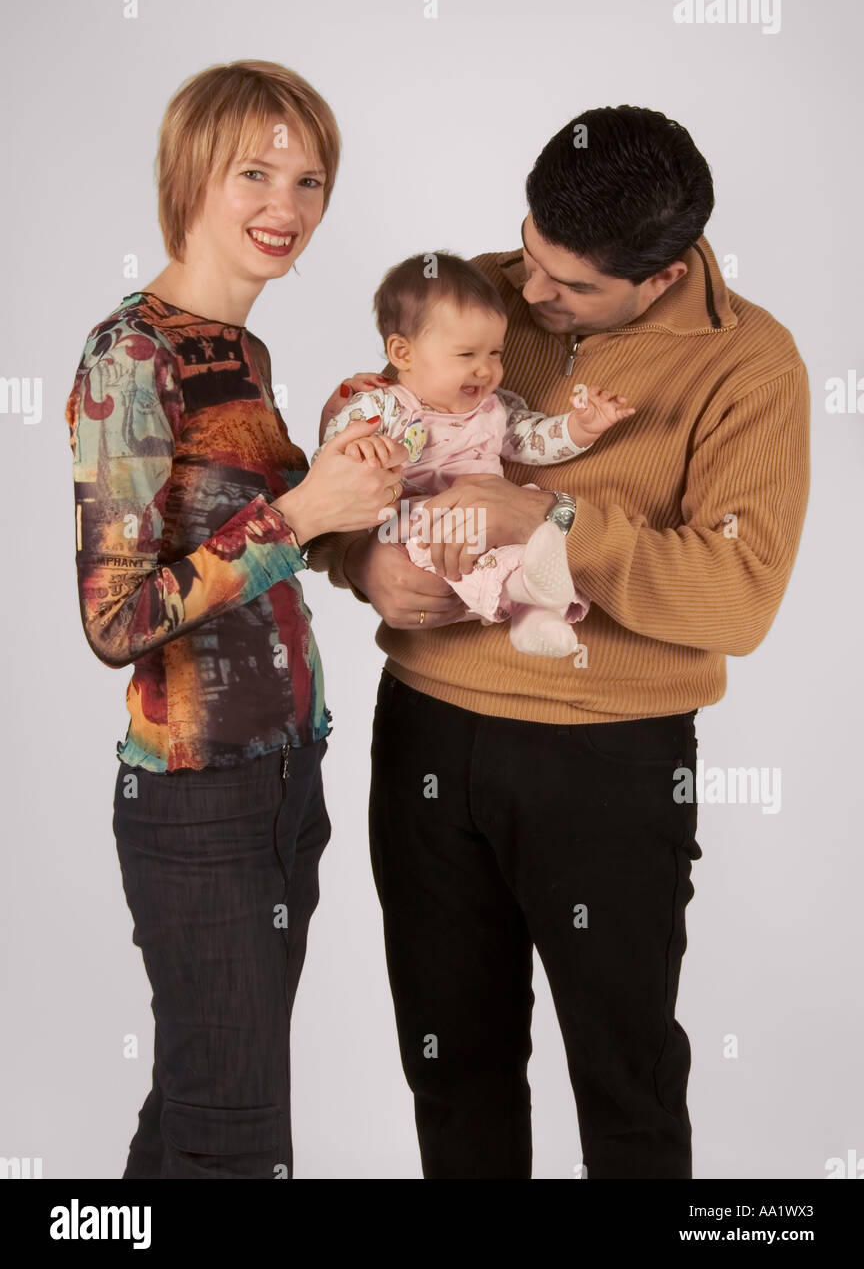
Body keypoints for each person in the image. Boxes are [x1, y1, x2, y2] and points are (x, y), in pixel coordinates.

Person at [308, 105, 811, 1179]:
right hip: (430, 739)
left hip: (609, 761)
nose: (529, 296)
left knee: (625, 1085)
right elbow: (366, 471)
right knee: (452, 1070)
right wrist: (362, 566)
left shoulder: (751, 366)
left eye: (569, 287)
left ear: (663, 274)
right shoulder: (468, 297)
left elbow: (738, 600)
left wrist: (551, 526)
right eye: (531, 253)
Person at [64, 59, 406, 1179]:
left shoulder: (242, 352)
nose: (286, 206)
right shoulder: (134, 355)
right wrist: (299, 508)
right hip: (195, 796)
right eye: (253, 172)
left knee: (199, 1108)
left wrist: (353, 505)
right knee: (239, 1139)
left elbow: (270, 542)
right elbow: (117, 617)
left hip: (283, 779)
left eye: (310, 180)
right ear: (190, 174)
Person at [314, 250, 636, 656]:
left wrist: (581, 426)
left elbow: (531, 439)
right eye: (467, 355)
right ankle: (525, 600)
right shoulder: (382, 407)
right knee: (464, 555)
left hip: (488, 525)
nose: (485, 370)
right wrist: (361, 449)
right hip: (420, 525)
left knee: (528, 549)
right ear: (402, 354)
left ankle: (533, 619)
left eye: (495, 353)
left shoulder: (495, 407)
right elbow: (329, 462)